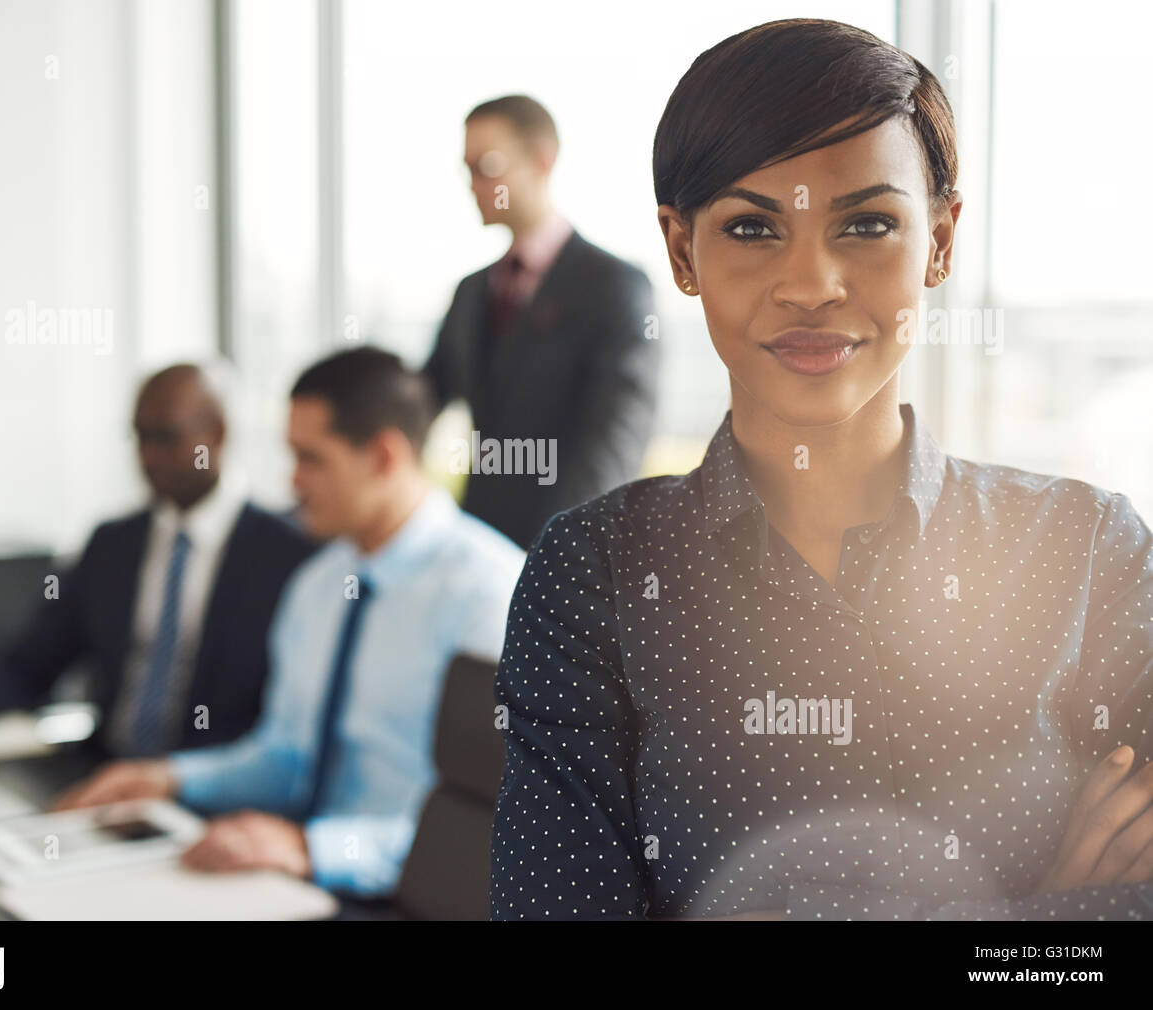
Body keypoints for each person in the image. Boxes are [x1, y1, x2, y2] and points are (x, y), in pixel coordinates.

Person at [490, 19, 1153, 920]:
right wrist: (1023, 926)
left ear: (942, 242)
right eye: (753, 227)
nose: (811, 283)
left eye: (868, 224)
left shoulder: (1087, 554)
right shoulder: (592, 576)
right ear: (684, 252)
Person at [55, 347, 525, 898]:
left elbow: (498, 829)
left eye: (311, 459)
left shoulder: (493, 599)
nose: (292, 481)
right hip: (297, 881)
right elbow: (286, 757)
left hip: (412, 898)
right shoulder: (317, 585)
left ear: (382, 457)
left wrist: (313, 849)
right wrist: (172, 779)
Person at [0, 362, 316, 758]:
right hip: (101, 777)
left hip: (214, 793)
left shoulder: (290, 555)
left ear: (217, 432)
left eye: (165, 437)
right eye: (140, 438)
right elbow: (31, 663)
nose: (149, 457)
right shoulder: (112, 544)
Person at [424, 94, 661, 549]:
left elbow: (613, 442)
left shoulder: (614, 286)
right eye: (467, 168)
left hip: (564, 555)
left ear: (542, 161)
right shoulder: (472, 292)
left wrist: (560, 557)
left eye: (486, 166)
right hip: (478, 542)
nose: (472, 183)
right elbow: (420, 400)